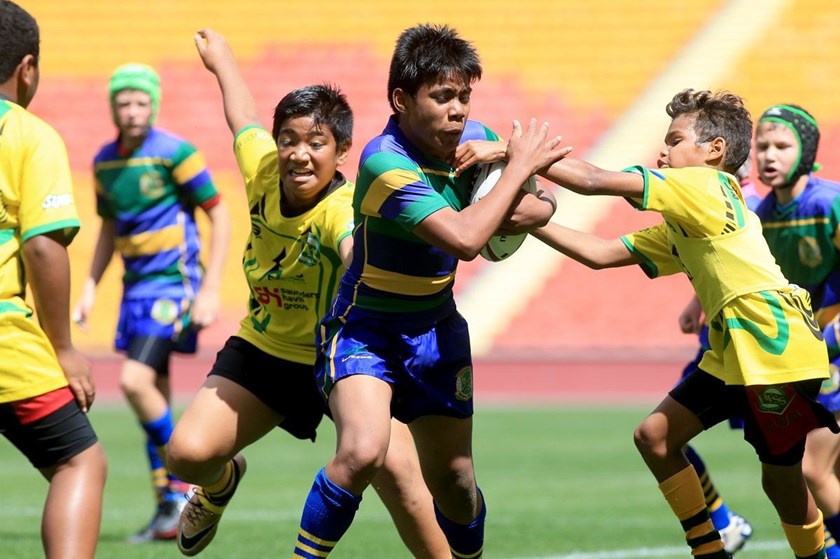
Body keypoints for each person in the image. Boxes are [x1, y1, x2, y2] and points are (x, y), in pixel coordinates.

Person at [166, 28, 451, 558]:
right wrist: (222, 60)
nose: (299, 155)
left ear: (342, 152)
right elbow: (242, 115)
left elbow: (353, 250)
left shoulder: (342, 210)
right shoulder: (262, 171)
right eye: (289, 140)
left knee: (404, 486)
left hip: (343, 358)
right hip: (265, 350)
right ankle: (221, 483)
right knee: (185, 456)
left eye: (316, 144)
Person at [288, 23, 569, 558]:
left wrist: (520, 181)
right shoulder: (384, 161)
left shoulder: (474, 139)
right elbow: (466, 239)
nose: (458, 110)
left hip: (437, 330)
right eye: (442, 97)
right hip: (365, 328)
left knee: (456, 485)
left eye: (464, 96)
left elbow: (541, 206)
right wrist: (517, 168)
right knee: (362, 453)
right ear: (401, 100)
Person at [532, 88, 838, 559]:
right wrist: (527, 223)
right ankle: (709, 551)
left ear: (714, 150)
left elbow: (592, 180)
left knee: (783, 483)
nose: (663, 152)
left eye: (675, 141)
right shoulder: (688, 217)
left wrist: (518, 158)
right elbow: (600, 253)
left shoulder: (706, 186)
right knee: (655, 437)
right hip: (733, 354)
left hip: (776, 351)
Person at [72, 62, 231, 542]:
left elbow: (219, 213)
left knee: (133, 382)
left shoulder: (176, 154)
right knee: (153, 398)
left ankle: (196, 477)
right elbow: (109, 229)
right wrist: (90, 286)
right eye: (124, 102)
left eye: (141, 101)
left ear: (153, 105)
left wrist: (210, 289)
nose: (133, 110)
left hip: (173, 287)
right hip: (134, 292)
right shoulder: (105, 162)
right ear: (113, 108)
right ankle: (168, 509)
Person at [0, 2, 108, 557]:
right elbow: (43, 245)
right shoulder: (28, 134)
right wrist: (63, 348)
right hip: (5, 341)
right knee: (79, 462)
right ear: (27, 68)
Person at [753, 104, 840, 559]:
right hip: (807, 355)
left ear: (805, 150)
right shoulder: (763, 214)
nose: (769, 155)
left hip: (833, 351)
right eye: (762, 145)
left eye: (782, 145)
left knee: (812, 470)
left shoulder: (829, 203)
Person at [673, 158, 758, 555]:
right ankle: (723, 522)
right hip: (718, 345)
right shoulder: (717, 202)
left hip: (759, 348)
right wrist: (697, 301)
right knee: (663, 435)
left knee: (795, 465)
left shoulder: (754, 209)